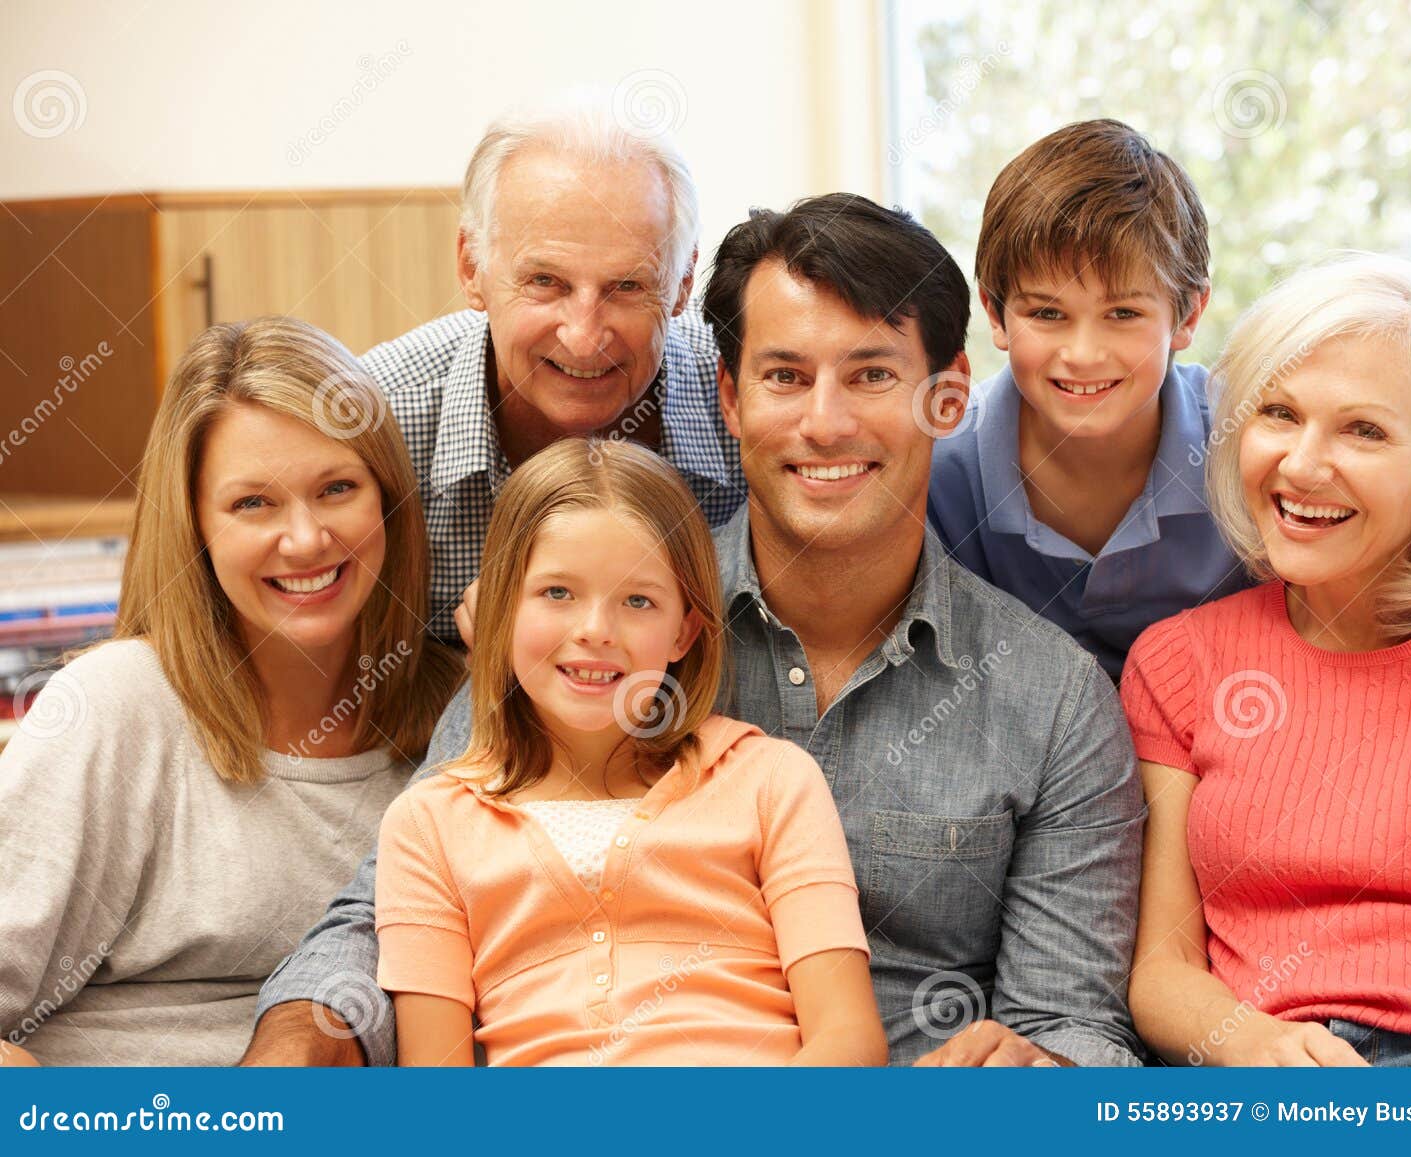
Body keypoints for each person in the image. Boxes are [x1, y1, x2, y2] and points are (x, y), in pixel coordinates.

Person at [243, 194, 1146, 1069]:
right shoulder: (593, 639)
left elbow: (1072, 1019)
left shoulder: (1054, 698)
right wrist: (302, 1035)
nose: (825, 423)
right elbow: (390, 903)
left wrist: (1042, 1068)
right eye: (784, 376)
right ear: (730, 397)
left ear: (947, 397)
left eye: (872, 375)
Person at [1122, 255, 1411, 1067]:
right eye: (1279, 413)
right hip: (1279, 1075)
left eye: (1364, 430)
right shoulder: (1178, 662)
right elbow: (1162, 972)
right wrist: (1256, 1041)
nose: (1303, 465)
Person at [928, 119, 1411, 714]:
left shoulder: (1258, 433)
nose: (1084, 353)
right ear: (995, 314)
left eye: (1124, 314)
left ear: (1188, 315)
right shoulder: (939, 461)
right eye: (1047, 314)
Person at [0, 318, 460, 1067]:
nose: (306, 539)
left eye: (337, 489)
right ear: (194, 527)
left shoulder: (462, 719)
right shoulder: (116, 706)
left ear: (388, 500)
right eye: (253, 504)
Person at [376, 438, 884, 1066]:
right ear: (499, 610)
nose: (595, 630)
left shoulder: (772, 781)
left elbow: (849, 1041)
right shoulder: (427, 825)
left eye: (637, 600)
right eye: (557, 593)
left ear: (684, 631)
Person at [362, 108, 745, 646]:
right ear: (472, 268)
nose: (584, 338)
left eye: (628, 287)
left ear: (682, 284)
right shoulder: (376, 418)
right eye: (545, 281)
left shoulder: (753, 403)